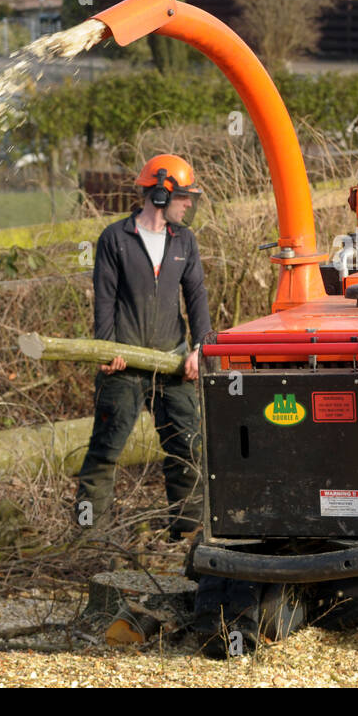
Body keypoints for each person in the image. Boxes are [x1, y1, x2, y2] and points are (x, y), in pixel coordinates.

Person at [74, 154, 211, 538]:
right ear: (161, 195)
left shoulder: (185, 240)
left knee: (187, 449)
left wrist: (200, 348)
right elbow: (104, 298)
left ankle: (185, 535)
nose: (189, 204)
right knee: (104, 454)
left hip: (173, 363)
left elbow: (196, 295)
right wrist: (106, 349)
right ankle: (90, 539)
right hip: (125, 365)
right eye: (185, 197)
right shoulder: (115, 239)